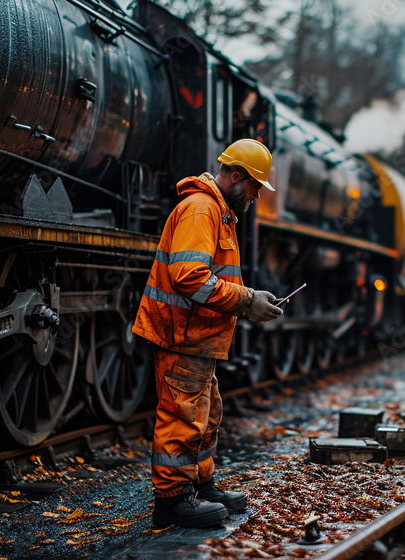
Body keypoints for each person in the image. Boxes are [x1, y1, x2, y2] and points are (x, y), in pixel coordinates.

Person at [133, 139, 284, 528]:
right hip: (182, 334)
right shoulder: (201, 210)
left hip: (198, 337)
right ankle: (172, 502)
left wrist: (248, 299)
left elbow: (214, 279)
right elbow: (190, 278)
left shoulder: (220, 213)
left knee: (205, 414)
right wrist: (247, 301)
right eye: (253, 187)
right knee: (183, 416)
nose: (255, 196)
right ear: (235, 177)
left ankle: (200, 485)